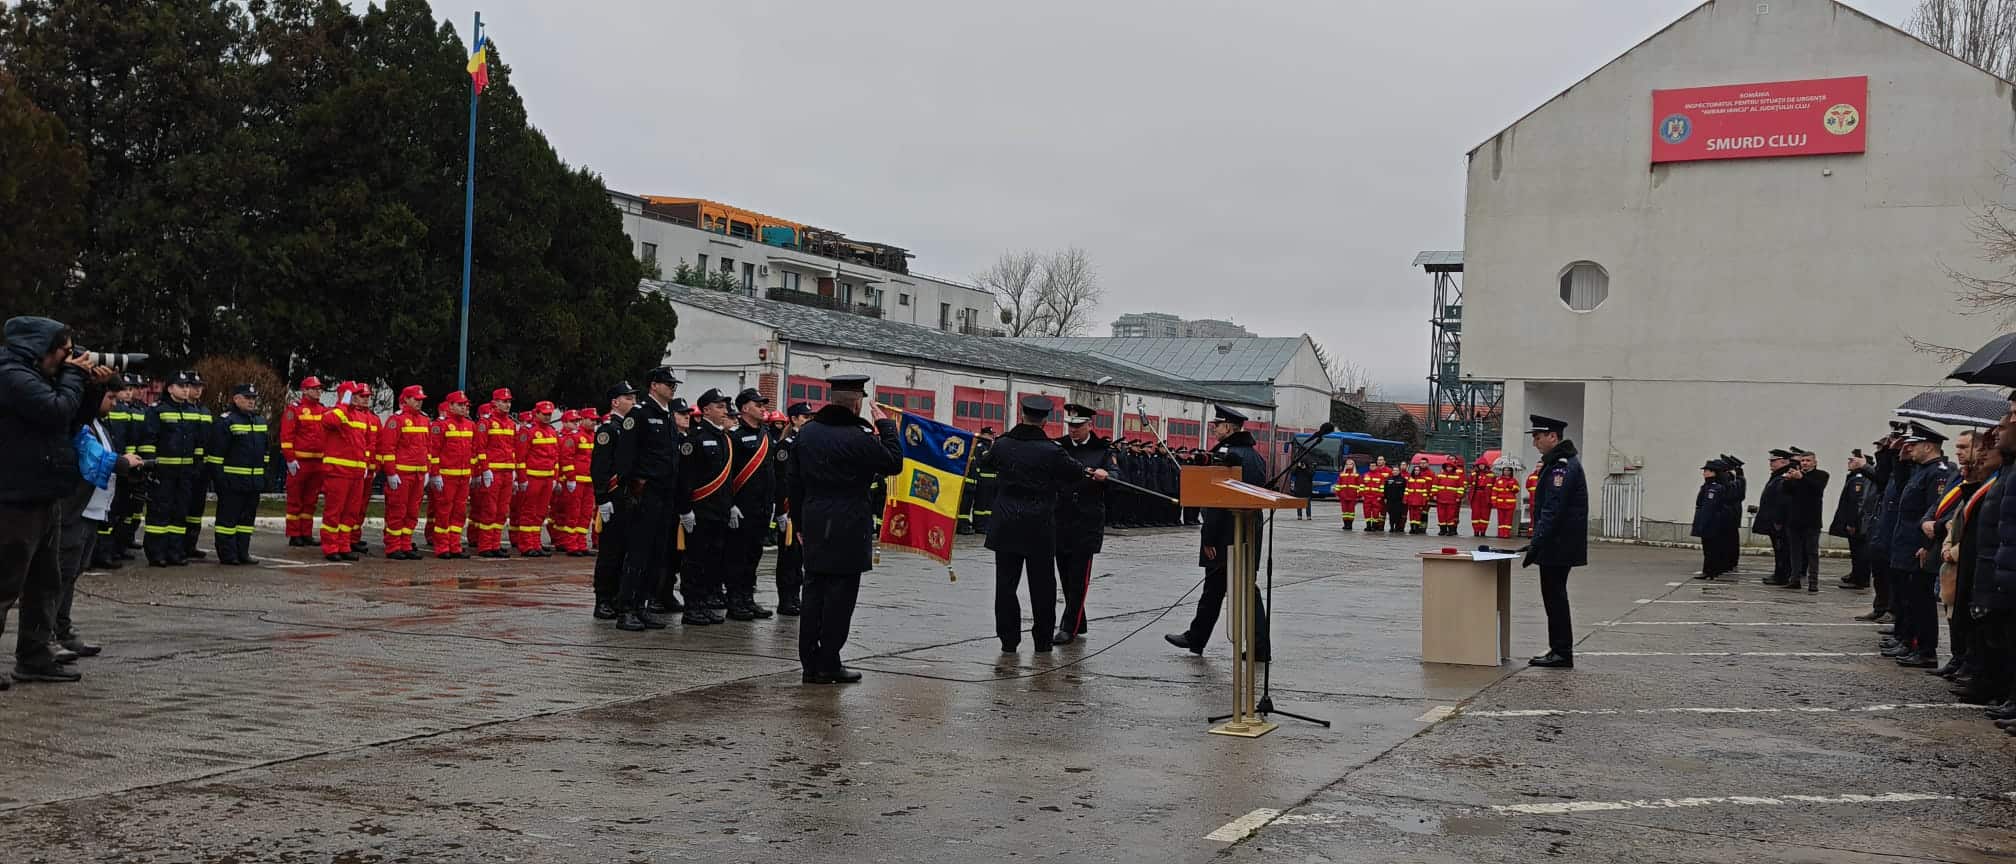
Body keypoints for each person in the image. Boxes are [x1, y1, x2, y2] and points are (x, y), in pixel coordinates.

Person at [790, 374, 903, 683]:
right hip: (848, 523)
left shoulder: (807, 434)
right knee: (839, 599)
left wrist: (800, 523)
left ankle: (810, 664)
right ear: (856, 403)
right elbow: (893, 462)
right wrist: (888, 428)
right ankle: (829, 661)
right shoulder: (859, 437)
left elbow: (794, 483)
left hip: (814, 519)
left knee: (812, 594)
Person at [982, 395, 1087, 654]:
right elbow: (1075, 473)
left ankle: (1008, 639)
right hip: (1038, 525)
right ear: (1045, 420)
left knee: (1005, 585)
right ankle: (1042, 640)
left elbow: (986, 462)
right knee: (1042, 586)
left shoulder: (1003, 444)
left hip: (1005, 522)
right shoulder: (1052, 450)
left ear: (1022, 415)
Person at [1167, 405, 1271, 661]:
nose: (1214, 429)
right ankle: (1198, 637)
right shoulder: (1254, 456)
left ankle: (1254, 645)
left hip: (1226, 532)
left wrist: (1209, 537)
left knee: (1237, 588)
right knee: (1222, 588)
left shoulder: (1226, 454)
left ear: (1228, 428)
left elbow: (1216, 499)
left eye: (1217, 425)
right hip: (1249, 528)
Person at [57, 379, 136, 666]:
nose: (115, 402)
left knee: (73, 572)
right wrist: (122, 462)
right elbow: (93, 457)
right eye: (110, 397)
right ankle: (50, 636)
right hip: (76, 510)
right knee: (61, 575)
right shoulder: (82, 426)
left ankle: (63, 631)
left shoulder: (102, 424)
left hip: (93, 510)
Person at [610, 369, 681, 632]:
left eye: (674, 384)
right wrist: (629, 491)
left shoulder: (667, 415)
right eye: (668, 384)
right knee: (638, 554)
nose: (672, 388)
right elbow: (626, 457)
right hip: (645, 493)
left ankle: (643, 606)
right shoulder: (639, 414)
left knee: (656, 555)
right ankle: (626, 608)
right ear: (654, 385)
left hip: (665, 494)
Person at [1885, 422, 1957, 669]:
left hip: (1919, 544)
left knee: (1920, 599)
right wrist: (1900, 458)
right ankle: (1908, 641)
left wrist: (1927, 545)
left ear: (1928, 446)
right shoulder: (1920, 470)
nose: (1909, 448)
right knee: (1907, 597)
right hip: (1905, 542)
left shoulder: (1938, 472)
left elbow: (1934, 512)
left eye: (1914, 445)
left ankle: (1925, 650)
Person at [1523, 415, 1587, 669]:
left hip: (1558, 544)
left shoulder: (1561, 466)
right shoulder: (1559, 463)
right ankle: (1559, 649)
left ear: (1553, 436)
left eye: (1538, 437)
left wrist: (1537, 542)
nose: (1535, 443)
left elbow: (1552, 508)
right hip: (1558, 542)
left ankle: (1561, 651)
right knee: (1553, 596)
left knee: (1555, 597)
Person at [1054, 403, 1117, 645]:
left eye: (1078, 426)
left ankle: (1068, 627)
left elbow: (1117, 476)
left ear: (1090, 425)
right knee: (1066, 576)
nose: (1073, 430)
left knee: (1079, 578)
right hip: (1061, 518)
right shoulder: (1059, 447)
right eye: (1071, 425)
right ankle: (1079, 621)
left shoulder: (1102, 450)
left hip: (1086, 521)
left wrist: (1105, 475)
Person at [678, 388, 736, 626]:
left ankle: (704, 602)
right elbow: (685, 477)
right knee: (695, 561)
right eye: (719, 407)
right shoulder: (696, 438)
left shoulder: (724, 438)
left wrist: (730, 505)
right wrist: (685, 509)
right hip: (700, 510)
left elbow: (727, 477)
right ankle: (691, 606)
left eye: (724, 406)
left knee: (713, 561)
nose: (724, 411)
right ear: (707, 410)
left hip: (719, 511)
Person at [141, 370, 208, 567]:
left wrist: (197, 463)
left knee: (180, 512)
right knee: (160, 513)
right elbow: (148, 440)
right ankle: (156, 553)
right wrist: (150, 465)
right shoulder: (157, 410)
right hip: (163, 471)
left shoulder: (193, 412)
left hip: (185, 472)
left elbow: (198, 442)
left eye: (188, 386)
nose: (186, 390)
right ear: (170, 389)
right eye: (182, 386)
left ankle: (175, 552)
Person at [723, 388, 777, 620]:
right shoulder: (734, 437)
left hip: (762, 506)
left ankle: (748, 598)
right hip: (742, 507)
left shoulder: (766, 434)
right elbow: (726, 474)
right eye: (758, 404)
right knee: (738, 556)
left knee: (754, 555)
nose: (763, 408)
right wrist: (730, 504)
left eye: (763, 404)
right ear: (745, 408)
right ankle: (735, 601)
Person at [587, 382, 638, 616]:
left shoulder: (630, 428)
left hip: (629, 498)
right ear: (615, 402)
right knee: (610, 552)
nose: (633, 402)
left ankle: (618, 596)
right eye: (628, 398)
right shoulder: (608, 430)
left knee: (625, 550)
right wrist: (602, 498)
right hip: (613, 498)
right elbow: (600, 467)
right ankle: (603, 599)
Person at [207, 384, 269, 566]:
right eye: (247, 397)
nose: (251, 401)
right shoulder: (227, 421)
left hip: (253, 482)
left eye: (253, 398)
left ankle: (243, 552)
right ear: (236, 399)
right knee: (227, 521)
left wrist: (263, 476)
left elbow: (265, 453)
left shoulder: (260, 421)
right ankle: (227, 554)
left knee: (246, 521)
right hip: (232, 482)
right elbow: (216, 455)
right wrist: (220, 481)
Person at [318, 382, 374, 562]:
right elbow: (330, 422)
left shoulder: (360, 416)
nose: (360, 398)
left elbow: (363, 444)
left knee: (350, 513)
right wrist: (344, 404)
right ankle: (330, 547)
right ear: (346, 395)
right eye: (356, 394)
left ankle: (344, 545)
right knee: (334, 512)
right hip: (338, 472)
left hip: (356, 472)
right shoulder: (334, 412)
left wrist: (364, 465)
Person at [375, 385, 431, 560]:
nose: (419, 403)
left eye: (421, 400)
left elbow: (428, 448)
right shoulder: (396, 420)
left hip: (418, 474)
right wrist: (391, 473)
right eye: (416, 399)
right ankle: (393, 546)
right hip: (401, 475)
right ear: (405, 399)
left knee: (412, 512)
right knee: (396, 511)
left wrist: (427, 469)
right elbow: (388, 448)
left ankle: (405, 544)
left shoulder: (424, 420)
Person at [772, 400, 814, 616]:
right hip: (789, 510)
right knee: (788, 557)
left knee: (801, 557)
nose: (808, 421)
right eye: (805, 417)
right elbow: (781, 481)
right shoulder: (786, 445)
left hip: (804, 508)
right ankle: (786, 599)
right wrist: (781, 511)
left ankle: (796, 597)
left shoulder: (808, 442)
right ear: (795, 419)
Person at [428, 391, 480, 560]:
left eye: (465, 405)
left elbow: (473, 451)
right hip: (446, 477)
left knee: (459, 512)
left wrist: (472, 473)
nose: (464, 407)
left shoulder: (469, 425)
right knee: (444, 512)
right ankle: (442, 547)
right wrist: (435, 475)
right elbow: (433, 452)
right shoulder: (441, 425)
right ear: (450, 406)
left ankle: (455, 545)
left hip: (463, 477)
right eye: (460, 405)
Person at [280, 376, 327, 546]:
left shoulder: (323, 410)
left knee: (311, 500)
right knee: (295, 499)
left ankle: (306, 532)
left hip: (318, 462)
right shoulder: (295, 410)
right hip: (300, 462)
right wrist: (290, 459)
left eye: (319, 388)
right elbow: (287, 437)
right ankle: (294, 533)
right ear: (304, 390)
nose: (317, 391)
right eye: (314, 388)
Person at [512, 402, 562, 557]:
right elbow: (521, 457)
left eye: (549, 414)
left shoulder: (552, 432)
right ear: (536, 413)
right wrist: (522, 479)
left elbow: (555, 457)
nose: (547, 417)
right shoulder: (528, 432)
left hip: (547, 479)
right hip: (533, 477)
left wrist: (554, 478)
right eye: (544, 414)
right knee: (529, 512)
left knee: (540, 513)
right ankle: (526, 545)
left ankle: (536, 543)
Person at [473, 388, 517, 558]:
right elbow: (481, 449)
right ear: (495, 402)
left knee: (501, 511)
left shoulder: (511, 424)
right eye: (504, 401)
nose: (507, 405)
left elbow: (512, 449)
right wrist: (485, 469)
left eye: (509, 401)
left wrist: (513, 470)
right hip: (493, 473)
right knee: (489, 509)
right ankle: (485, 545)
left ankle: (495, 543)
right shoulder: (486, 423)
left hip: (506, 472)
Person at [1779, 448, 1830, 592]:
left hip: (1812, 520)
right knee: (1795, 551)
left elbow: (1817, 489)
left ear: (1815, 462)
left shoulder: (1821, 475)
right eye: (1802, 461)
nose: (1805, 463)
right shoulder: (1796, 475)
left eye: (1808, 460)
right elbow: (1786, 491)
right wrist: (1788, 479)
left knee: (1812, 552)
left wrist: (1801, 478)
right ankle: (1794, 579)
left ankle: (1813, 582)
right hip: (1795, 519)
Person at [557, 409, 598, 556]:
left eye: (595, 420)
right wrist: (570, 478)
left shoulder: (595, 437)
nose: (594, 423)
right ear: (583, 420)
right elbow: (566, 458)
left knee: (586, 514)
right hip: (577, 481)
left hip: (589, 482)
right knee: (573, 513)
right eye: (591, 419)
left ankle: (581, 544)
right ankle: (571, 544)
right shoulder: (574, 437)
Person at [1831, 450, 1874, 589]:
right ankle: (1856, 574)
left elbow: (1857, 503)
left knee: (1860, 552)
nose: (1849, 463)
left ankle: (1861, 579)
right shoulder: (1855, 476)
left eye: (1852, 460)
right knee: (1855, 551)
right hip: (1857, 522)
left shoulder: (1860, 478)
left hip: (1858, 523)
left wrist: (1852, 523)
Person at [1753, 449, 1792, 585]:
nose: (1771, 463)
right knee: (1779, 549)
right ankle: (1779, 573)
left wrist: (1779, 520)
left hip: (1779, 522)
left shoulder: (1784, 476)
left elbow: (1783, 501)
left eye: (1774, 461)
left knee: (1782, 549)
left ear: (1784, 461)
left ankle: (1781, 575)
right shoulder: (1777, 476)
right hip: (1774, 520)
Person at [1691, 459, 1734, 580]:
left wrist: (1704, 523)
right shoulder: (1709, 486)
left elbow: (1709, 508)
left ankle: (1710, 571)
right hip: (1709, 522)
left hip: (1711, 523)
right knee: (1710, 548)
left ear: (1714, 473)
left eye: (1706, 470)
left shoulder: (1714, 488)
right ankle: (1710, 570)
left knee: (1711, 548)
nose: (1704, 473)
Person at [970, 427, 997, 535]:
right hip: (983, 480)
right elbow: (986, 459)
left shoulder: (988, 446)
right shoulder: (981, 446)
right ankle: (979, 525)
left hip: (991, 481)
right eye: (990, 434)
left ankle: (986, 524)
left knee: (988, 506)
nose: (992, 436)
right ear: (984, 435)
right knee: (981, 505)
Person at [1434, 460, 1464, 536]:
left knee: (1450, 515)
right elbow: (1435, 486)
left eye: (1450, 467)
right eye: (1447, 467)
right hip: (1441, 498)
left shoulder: (1457, 476)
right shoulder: (1440, 475)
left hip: (1452, 499)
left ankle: (1450, 530)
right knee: (1441, 515)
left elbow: (1460, 488)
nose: (1448, 468)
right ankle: (1442, 530)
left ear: (1453, 468)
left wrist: (1458, 497)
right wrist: (1434, 494)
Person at [1491, 465, 1520, 540]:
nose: (1506, 472)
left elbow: (1517, 490)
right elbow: (1494, 491)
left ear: (1511, 472)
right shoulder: (1498, 480)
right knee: (1501, 520)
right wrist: (1494, 501)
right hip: (1500, 503)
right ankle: (1500, 533)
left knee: (1508, 520)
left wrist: (1511, 487)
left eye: (1508, 470)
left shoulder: (1514, 480)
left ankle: (1506, 534)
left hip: (1510, 504)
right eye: (1505, 470)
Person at [1403, 462, 1432, 534]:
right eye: (1415, 470)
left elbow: (1424, 493)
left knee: (1418, 515)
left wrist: (1423, 501)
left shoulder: (1423, 480)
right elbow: (1406, 491)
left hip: (1419, 501)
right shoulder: (1410, 479)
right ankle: (1412, 528)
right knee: (1411, 515)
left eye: (1418, 470)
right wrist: (1405, 499)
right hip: (1411, 500)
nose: (1416, 471)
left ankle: (1416, 528)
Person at [1468, 458, 1493, 537]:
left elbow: (1494, 487)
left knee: (1485, 514)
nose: (1481, 466)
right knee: (1475, 513)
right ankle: (1476, 530)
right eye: (1480, 465)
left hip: (1486, 495)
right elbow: (1469, 485)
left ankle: (1483, 531)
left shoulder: (1491, 475)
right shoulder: (1473, 474)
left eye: (1483, 465)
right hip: (1476, 495)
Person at [1336, 457, 1361, 531]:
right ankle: (1345, 524)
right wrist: (1338, 494)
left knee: (1351, 511)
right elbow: (1338, 485)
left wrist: (1358, 495)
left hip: (1352, 496)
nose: (1349, 465)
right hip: (1343, 496)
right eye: (1347, 464)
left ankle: (1350, 524)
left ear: (1353, 465)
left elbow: (1360, 486)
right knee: (1344, 511)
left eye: (1350, 464)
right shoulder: (1342, 475)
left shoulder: (1356, 475)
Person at [1382, 462, 1407, 534]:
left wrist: (1404, 499)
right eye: (1394, 470)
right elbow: (1385, 489)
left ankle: (1397, 527)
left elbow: (1405, 490)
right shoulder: (1388, 479)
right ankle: (1391, 527)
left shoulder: (1403, 480)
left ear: (1399, 471)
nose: (1395, 471)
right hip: (1390, 500)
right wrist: (1385, 498)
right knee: (1391, 514)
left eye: (1396, 470)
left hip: (1399, 501)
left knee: (1398, 514)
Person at [1288, 454, 1313, 520]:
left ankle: (1308, 516)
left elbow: (1311, 475)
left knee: (1307, 503)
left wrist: (1304, 468)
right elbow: (1293, 473)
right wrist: (1297, 466)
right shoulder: (1298, 468)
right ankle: (1299, 516)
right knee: (1299, 502)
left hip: (1307, 488)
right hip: (1299, 487)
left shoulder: (1309, 467)